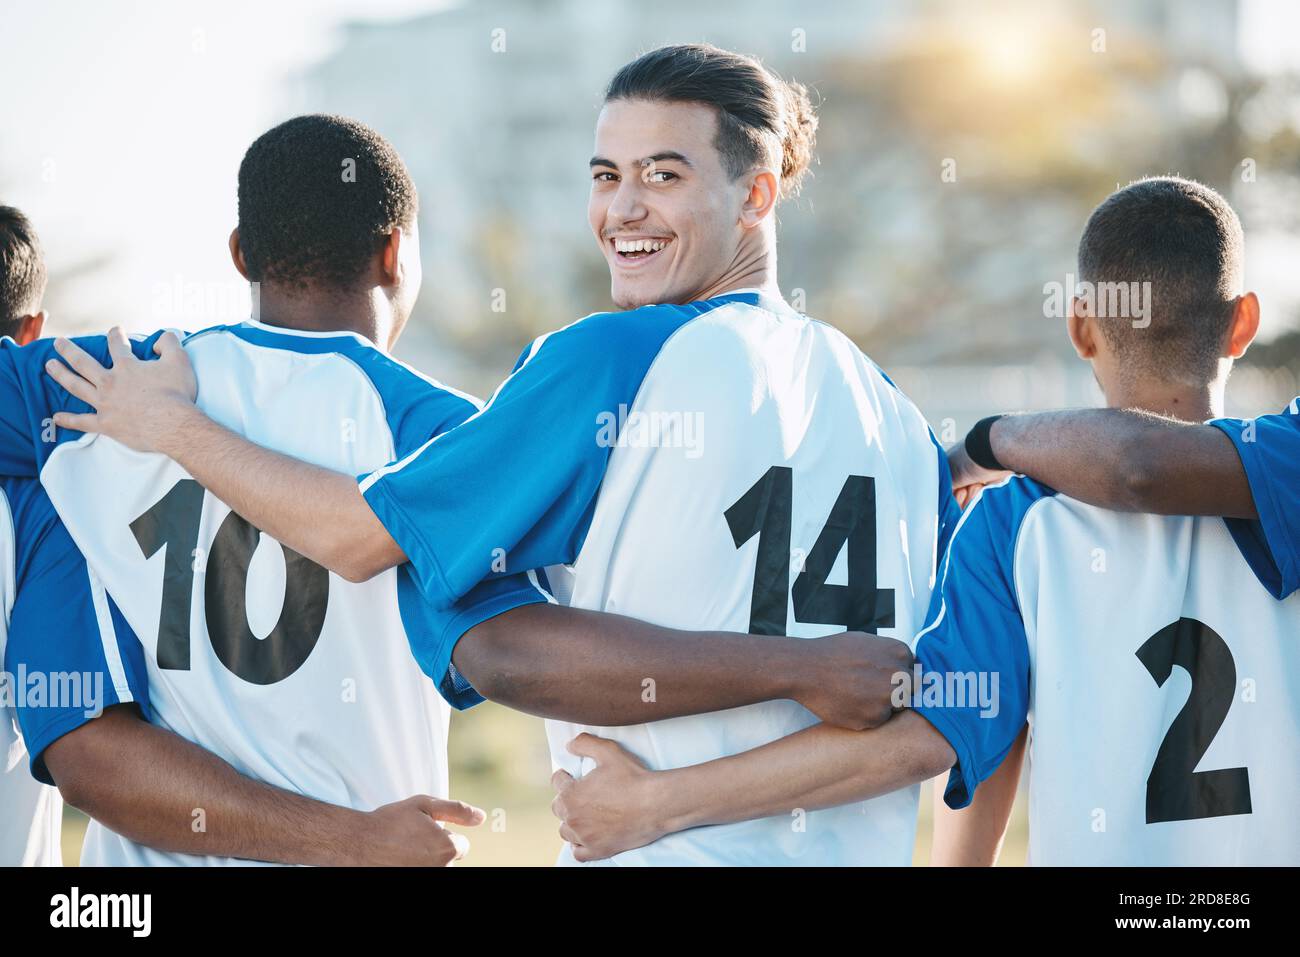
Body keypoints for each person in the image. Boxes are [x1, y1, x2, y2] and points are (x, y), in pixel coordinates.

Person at [43, 45, 954, 866]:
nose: (623, 207)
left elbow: (406, 575)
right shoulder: (896, 414)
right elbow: (930, 709)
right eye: (606, 174)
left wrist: (173, 429)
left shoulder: (611, 359)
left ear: (756, 193)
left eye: (663, 175)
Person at [550, 177, 1300, 867]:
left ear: (1080, 328)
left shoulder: (1014, 524)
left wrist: (657, 800)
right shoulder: (1290, 463)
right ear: (1243, 325)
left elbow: (932, 741)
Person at [0, 205, 477, 867]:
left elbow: (91, 753)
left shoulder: (109, 394)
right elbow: (495, 652)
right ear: (394, 252)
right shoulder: (444, 431)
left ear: (241, 254)